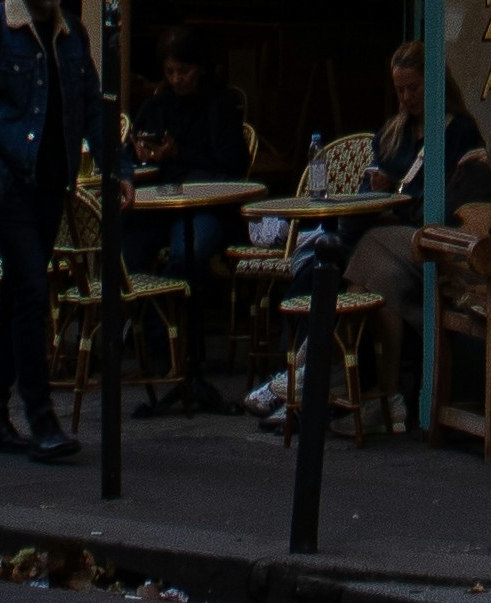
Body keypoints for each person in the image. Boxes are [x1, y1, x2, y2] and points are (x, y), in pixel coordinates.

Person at [0, 0, 117, 464]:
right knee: (30, 288)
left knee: (20, 292)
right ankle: (41, 417)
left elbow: (93, 104)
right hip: (7, 183)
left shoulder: (73, 35)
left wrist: (118, 167)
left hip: (53, 182)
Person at [246, 42, 432, 432]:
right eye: (400, 89)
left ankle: (306, 379)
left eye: (414, 88)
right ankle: (296, 378)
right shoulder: (392, 131)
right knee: (314, 270)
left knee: (340, 260)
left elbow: (442, 196)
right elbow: (368, 184)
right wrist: (379, 185)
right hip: (374, 228)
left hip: (408, 238)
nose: (407, 97)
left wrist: (396, 186)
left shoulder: (449, 133)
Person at [127, 27, 253, 293]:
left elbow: (234, 163)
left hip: (206, 205)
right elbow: (131, 155)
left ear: (200, 68)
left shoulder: (220, 106)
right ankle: (136, 320)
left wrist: (179, 154)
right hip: (159, 204)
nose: (177, 80)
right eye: (170, 72)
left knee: (189, 251)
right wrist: (143, 155)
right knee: (127, 247)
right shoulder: (155, 107)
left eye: (184, 72)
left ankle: (164, 315)